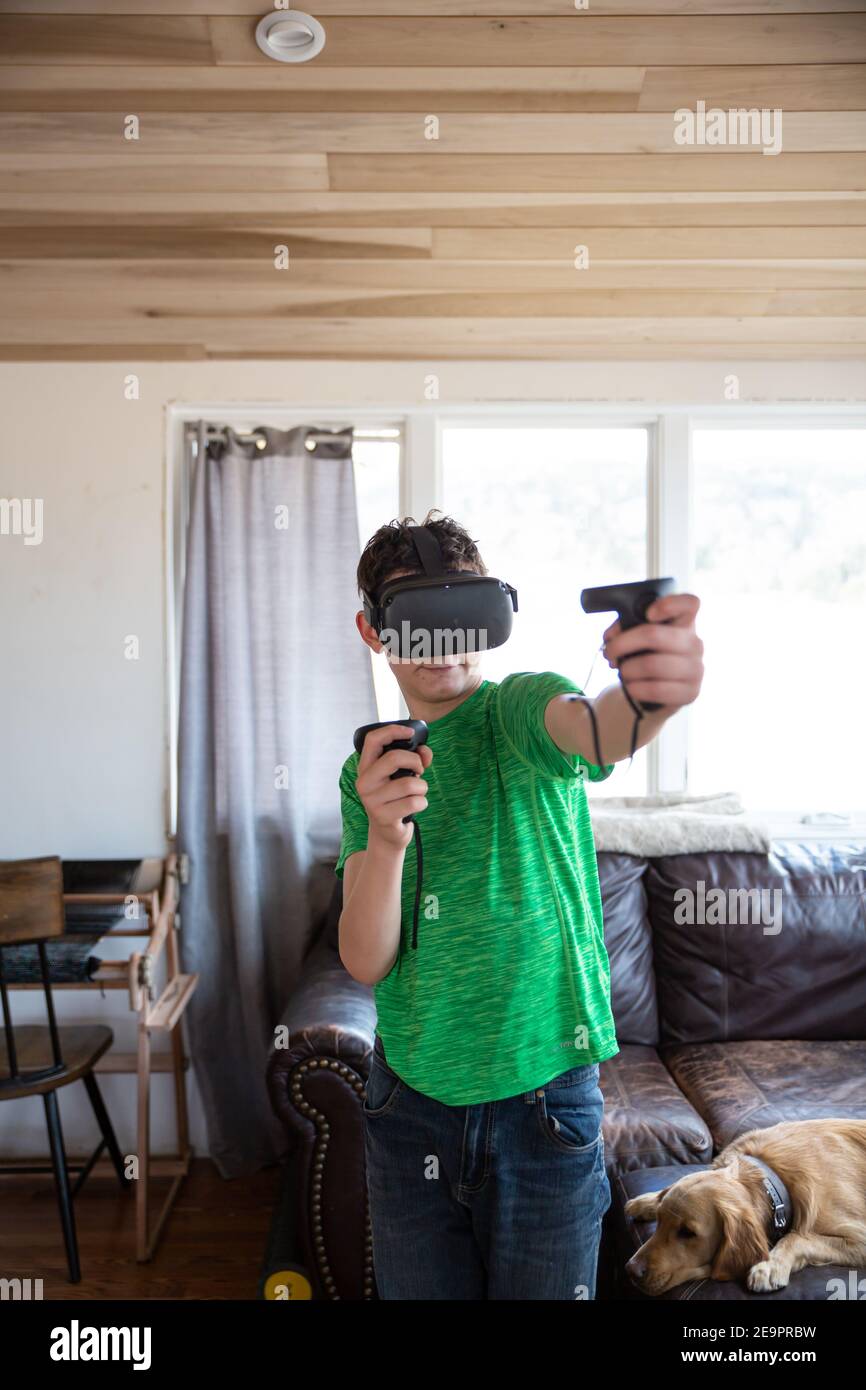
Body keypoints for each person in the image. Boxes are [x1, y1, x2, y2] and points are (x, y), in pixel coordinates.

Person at [336, 511, 704, 1300]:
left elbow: (600, 729)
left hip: (544, 1103)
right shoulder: (369, 769)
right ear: (373, 630)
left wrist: (650, 694)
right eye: (417, 617)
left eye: (462, 612)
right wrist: (386, 837)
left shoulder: (520, 709)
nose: (444, 642)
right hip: (409, 1105)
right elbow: (366, 960)